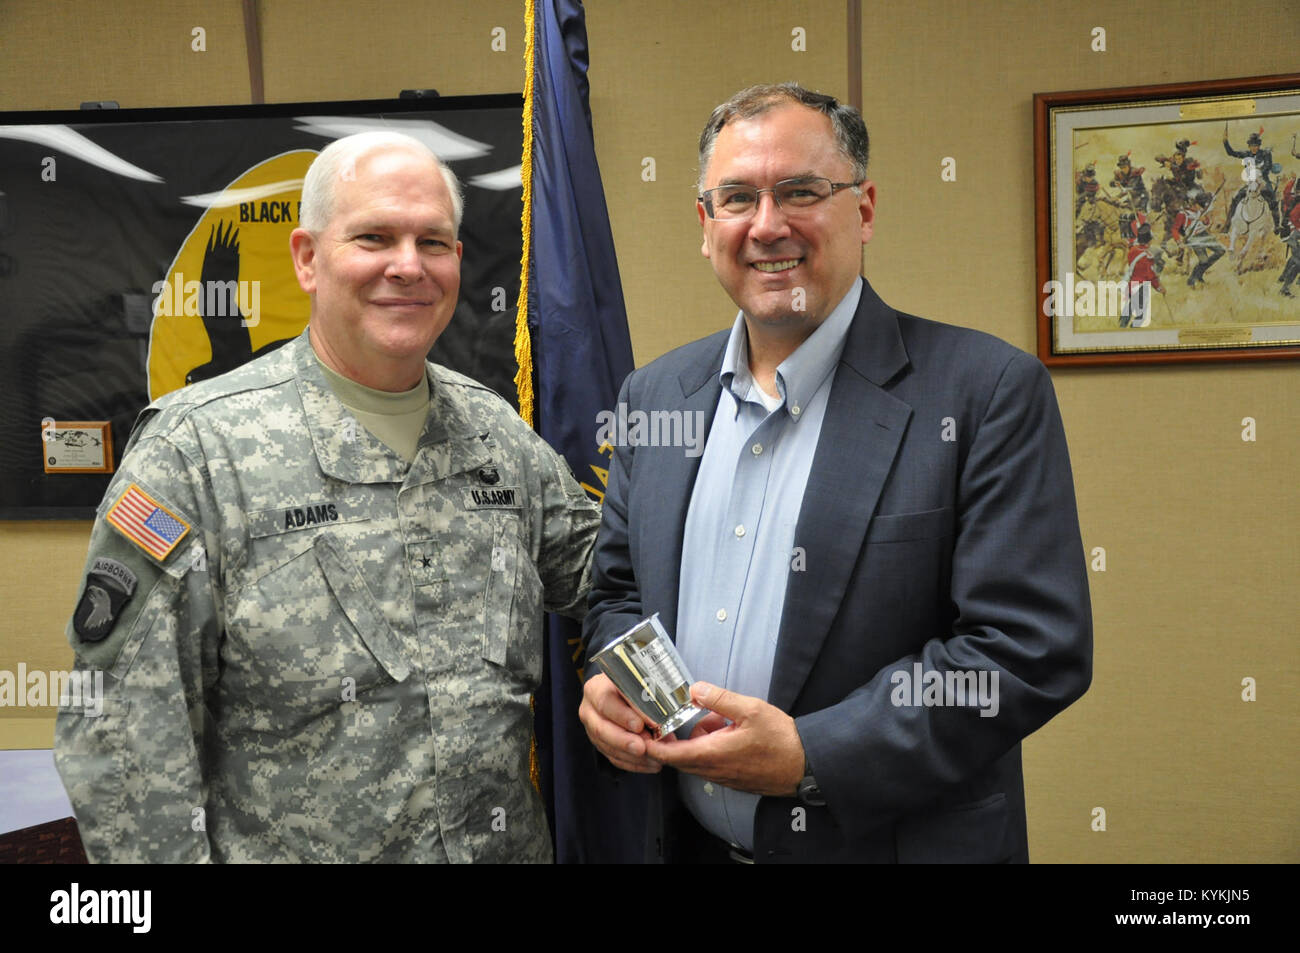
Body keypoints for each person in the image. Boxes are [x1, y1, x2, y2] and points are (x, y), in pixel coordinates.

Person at [579, 83, 1092, 864]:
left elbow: (1024, 649)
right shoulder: (654, 395)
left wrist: (813, 753)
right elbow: (616, 592)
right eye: (737, 198)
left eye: (800, 192)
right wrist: (616, 688)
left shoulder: (984, 391)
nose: (767, 225)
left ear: (865, 209)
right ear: (705, 223)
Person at [55, 132, 600, 863]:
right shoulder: (196, 451)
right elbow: (120, 739)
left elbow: (608, 577)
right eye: (374, 236)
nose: (407, 266)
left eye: (432, 242)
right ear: (308, 259)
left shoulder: (497, 435)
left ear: (457, 262)